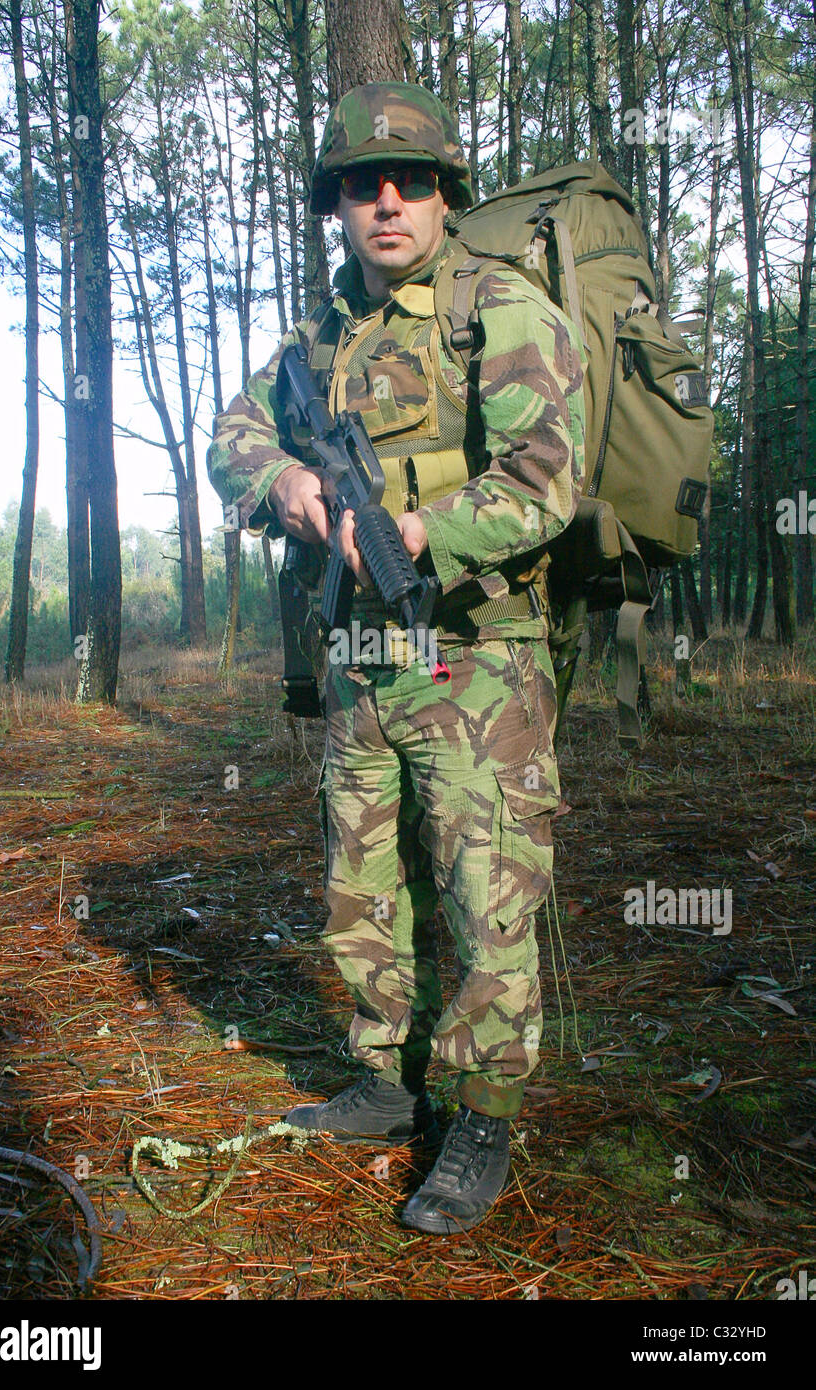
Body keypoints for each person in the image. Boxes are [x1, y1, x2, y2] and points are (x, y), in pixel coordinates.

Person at [207, 82, 586, 1235]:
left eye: (408, 181)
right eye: (361, 183)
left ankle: (476, 1111)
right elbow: (233, 435)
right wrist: (287, 484)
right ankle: (384, 1073)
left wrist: (423, 530)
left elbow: (544, 480)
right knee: (363, 883)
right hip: (361, 662)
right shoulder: (316, 336)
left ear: (441, 197)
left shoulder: (499, 311)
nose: (384, 200)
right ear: (336, 203)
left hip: (477, 658)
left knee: (486, 892)